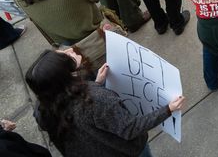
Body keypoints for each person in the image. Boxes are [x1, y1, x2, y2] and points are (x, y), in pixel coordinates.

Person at [25, 48, 186, 157]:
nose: (70, 50)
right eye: (65, 55)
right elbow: (130, 128)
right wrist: (168, 109)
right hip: (126, 152)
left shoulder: (43, 106)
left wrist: (96, 82)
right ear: (65, 74)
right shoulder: (96, 99)